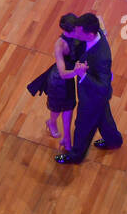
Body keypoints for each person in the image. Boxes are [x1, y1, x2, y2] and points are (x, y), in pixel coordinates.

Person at [55, 14, 122, 164]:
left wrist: (83, 75)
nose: (76, 36)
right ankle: (114, 141)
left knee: (82, 127)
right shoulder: (95, 34)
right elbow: (99, 16)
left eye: (79, 33)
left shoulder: (102, 57)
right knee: (104, 120)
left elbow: (103, 87)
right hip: (99, 98)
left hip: (93, 98)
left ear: (90, 34)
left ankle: (76, 156)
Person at [25, 13, 87, 152]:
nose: (78, 32)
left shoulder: (76, 34)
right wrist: (78, 72)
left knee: (69, 107)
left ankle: (66, 138)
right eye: (75, 30)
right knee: (57, 109)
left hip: (70, 77)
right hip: (59, 81)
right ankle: (51, 123)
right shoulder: (59, 45)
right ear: (67, 30)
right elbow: (63, 73)